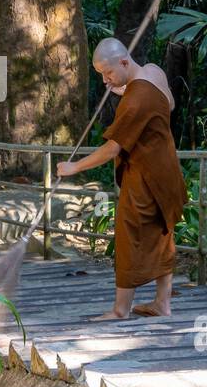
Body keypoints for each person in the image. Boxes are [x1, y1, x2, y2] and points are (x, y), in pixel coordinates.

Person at [56, 38, 187, 320]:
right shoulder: (153, 72)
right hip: (167, 171)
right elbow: (170, 103)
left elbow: (113, 147)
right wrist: (123, 87)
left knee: (129, 236)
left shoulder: (136, 99)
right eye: (102, 75)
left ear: (125, 62)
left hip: (146, 176)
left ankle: (120, 310)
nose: (106, 80)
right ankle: (162, 304)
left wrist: (74, 167)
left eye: (109, 73)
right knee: (163, 233)